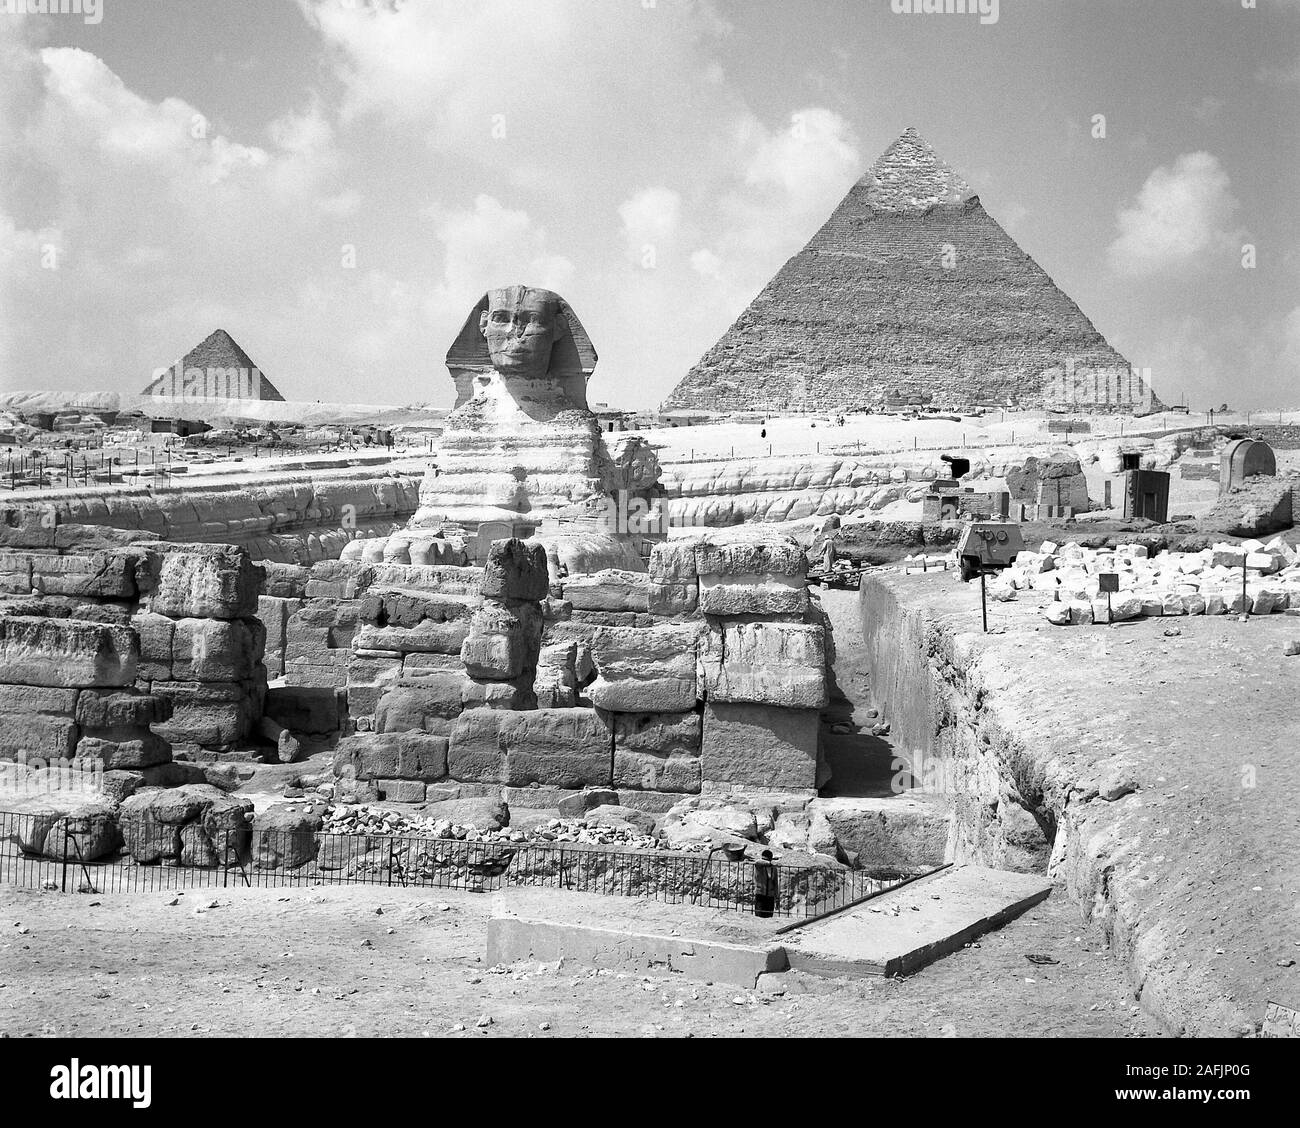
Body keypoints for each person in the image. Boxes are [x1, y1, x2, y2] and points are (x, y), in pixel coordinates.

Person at [753, 849, 778, 918]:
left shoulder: (773, 869)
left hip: (770, 896)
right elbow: (758, 861)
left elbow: (776, 883)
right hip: (760, 894)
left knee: (769, 916)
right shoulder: (759, 866)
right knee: (759, 916)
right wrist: (769, 863)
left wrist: (777, 898)